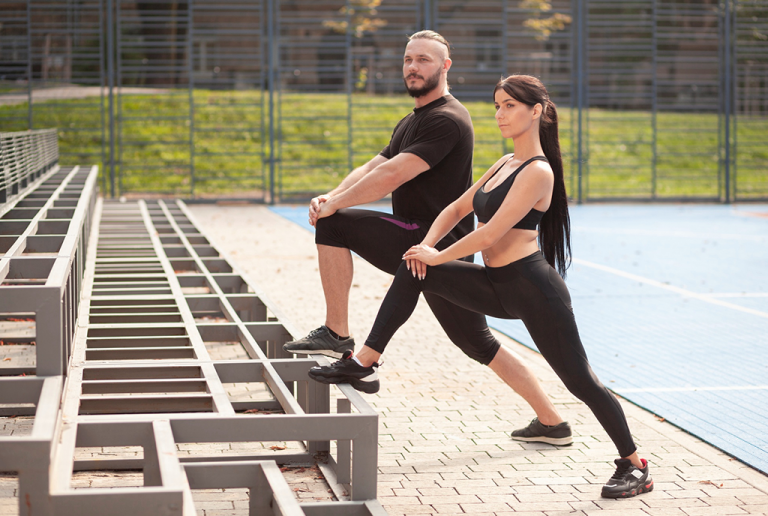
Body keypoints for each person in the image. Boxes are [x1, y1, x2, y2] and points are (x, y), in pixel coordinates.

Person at [308, 74, 654, 499]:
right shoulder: (504, 163)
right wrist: (427, 246)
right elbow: (456, 208)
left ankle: (634, 463)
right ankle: (365, 360)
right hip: (495, 285)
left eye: (510, 105)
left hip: (533, 289)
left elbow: (490, 235)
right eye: (497, 105)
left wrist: (439, 256)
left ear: (536, 112)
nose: (500, 114)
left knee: (581, 382)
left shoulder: (537, 172)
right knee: (413, 264)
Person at [284, 31, 572, 446]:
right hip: (421, 244)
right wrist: (333, 195)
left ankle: (337, 333)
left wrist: (334, 208)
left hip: (430, 241)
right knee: (476, 341)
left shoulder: (447, 118)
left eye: (423, 59)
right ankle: (552, 422)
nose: (413, 67)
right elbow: (374, 164)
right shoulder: (414, 119)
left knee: (336, 225)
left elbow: (393, 175)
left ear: (445, 66)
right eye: (407, 60)